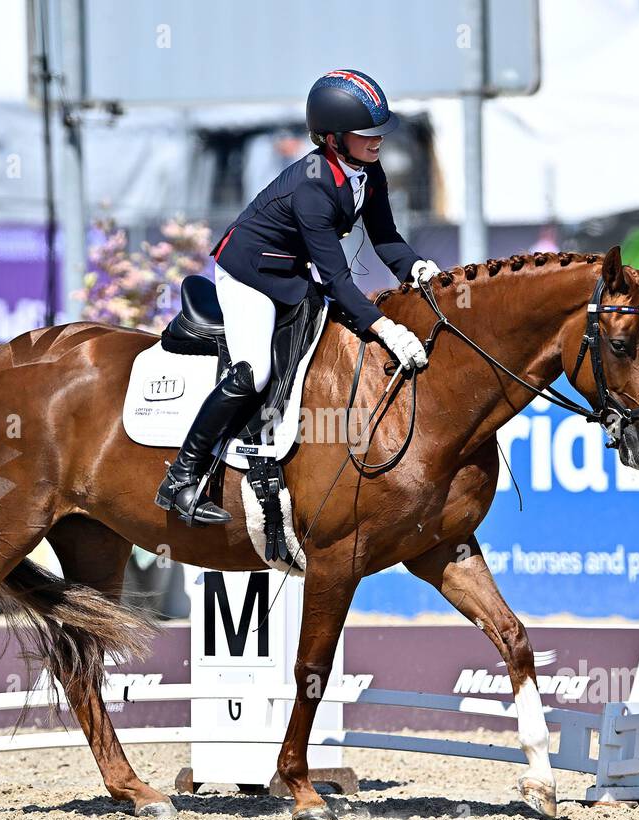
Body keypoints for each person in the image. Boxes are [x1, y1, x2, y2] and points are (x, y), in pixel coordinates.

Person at [155, 69, 442, 525]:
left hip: (290, 273)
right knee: (254, 370)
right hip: (248, 273)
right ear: (333, 138)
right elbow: (336, 280)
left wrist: (420, 271)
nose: (377, 141)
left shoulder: (368, 168)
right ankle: (181, 478)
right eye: (365, 134)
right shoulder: (312, 184)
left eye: (379, 133)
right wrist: (388, 328)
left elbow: (385, 236)